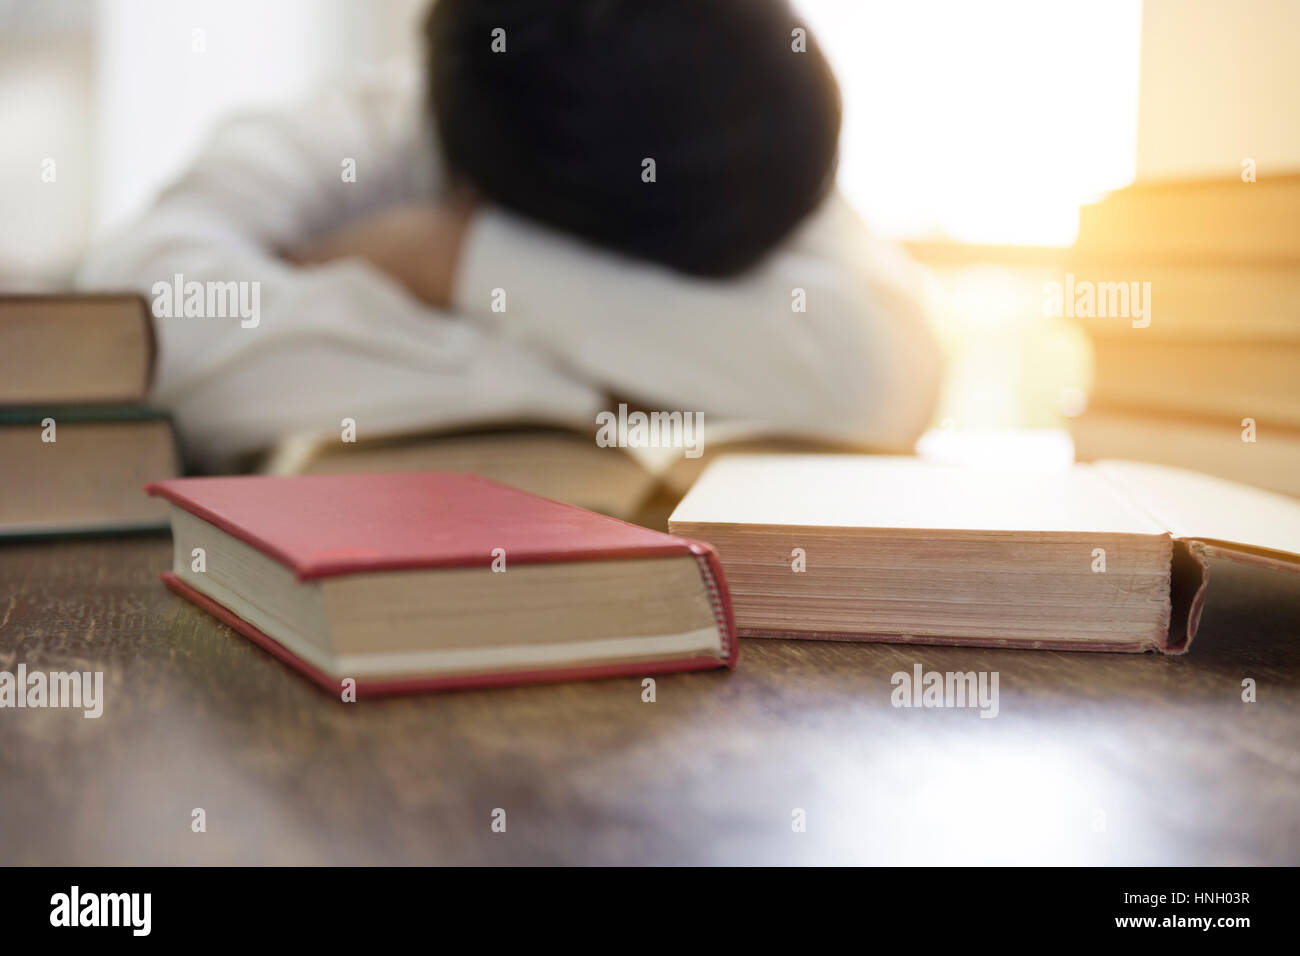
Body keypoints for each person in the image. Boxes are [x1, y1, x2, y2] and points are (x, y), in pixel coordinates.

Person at [78, 0, 942, 471]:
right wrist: (605, 391)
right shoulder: (364, 135)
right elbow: (137, 322)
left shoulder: (738, 132)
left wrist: (455, 266)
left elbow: (884, 373)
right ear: (473, 189)